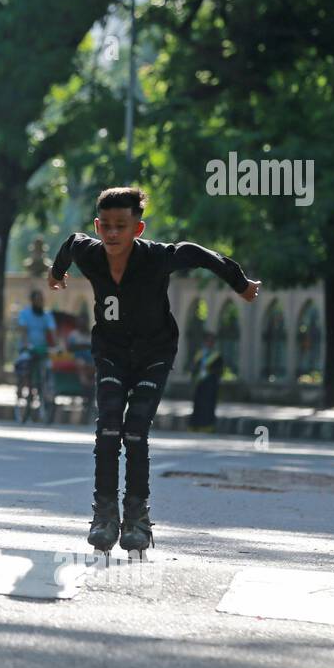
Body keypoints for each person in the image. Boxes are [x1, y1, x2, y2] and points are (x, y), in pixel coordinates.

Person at [48, 187, 260, 557]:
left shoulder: (157, 257)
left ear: (138, 228)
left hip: (154, 353)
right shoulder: (90, 251)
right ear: (98, 225)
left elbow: (198, 254)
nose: (112, 234)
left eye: (121, 226)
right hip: (111, 349)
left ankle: (137, 519)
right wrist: (56, 273)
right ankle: (104, 516)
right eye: (106, 226)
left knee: (135, 430)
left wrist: (240, 284)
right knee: (109, 426)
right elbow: (69, 243)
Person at [16, 289, 58, 404]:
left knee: (48, 366)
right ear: (32, 301)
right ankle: (21, 387)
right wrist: (26, 344)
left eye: (41, 300)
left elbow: (52, 332)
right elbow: (23, 331)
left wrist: (56, 345)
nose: (40, 302)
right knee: (24, 364)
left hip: (42, 349)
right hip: (28, 348)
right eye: (38, 300)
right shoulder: (25, 314)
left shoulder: (47, 315)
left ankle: (46, 390)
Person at [188, 331, 225, 432]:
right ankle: (195, 426)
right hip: (199, 385)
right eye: (208, 341)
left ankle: (208, 427)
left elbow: (220, 371)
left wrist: (210, 372)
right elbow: (193, 369)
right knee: (198, 406)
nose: (209, 343)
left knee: (208, 407)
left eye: (211, 341)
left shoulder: (216, 356)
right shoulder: (200, 354)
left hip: (210, 386)